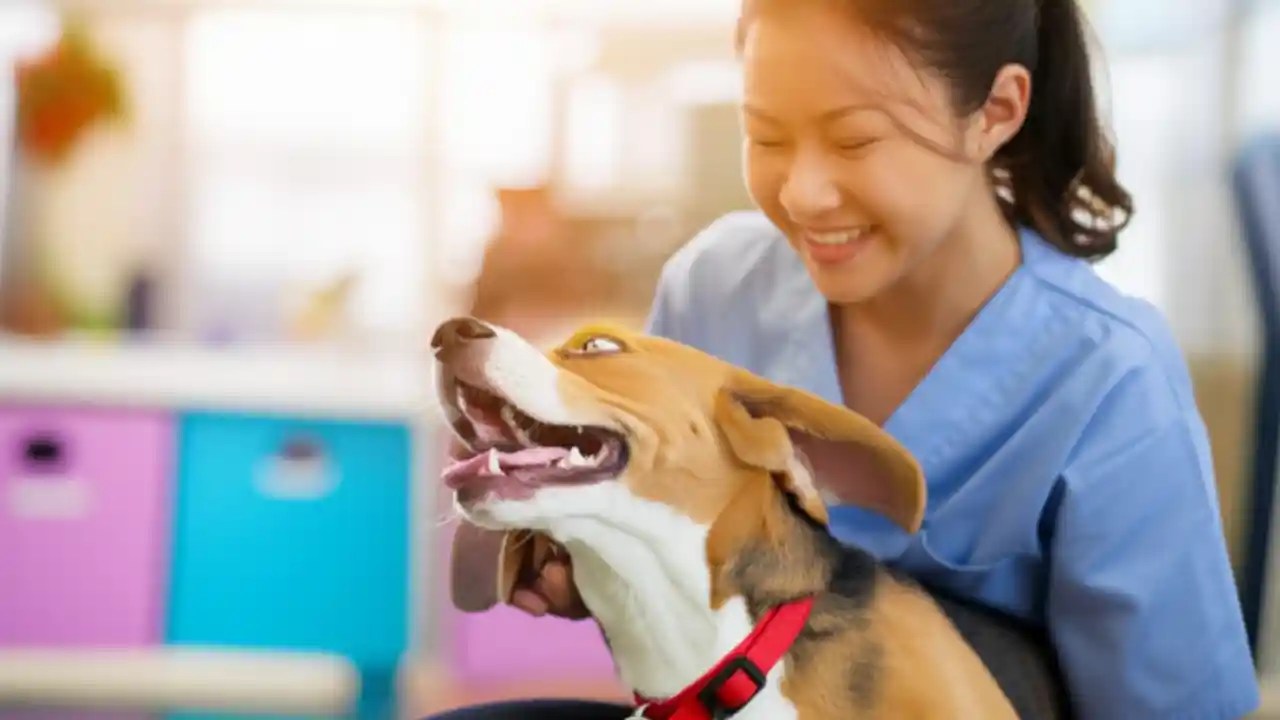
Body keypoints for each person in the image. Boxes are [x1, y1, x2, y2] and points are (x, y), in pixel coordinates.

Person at [427, 0, 1260, 717]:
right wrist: (597, 569)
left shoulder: (1108, 376)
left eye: (856, 141)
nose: (802, 193)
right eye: (766, 136)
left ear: (996, 113)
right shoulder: (718, 288)